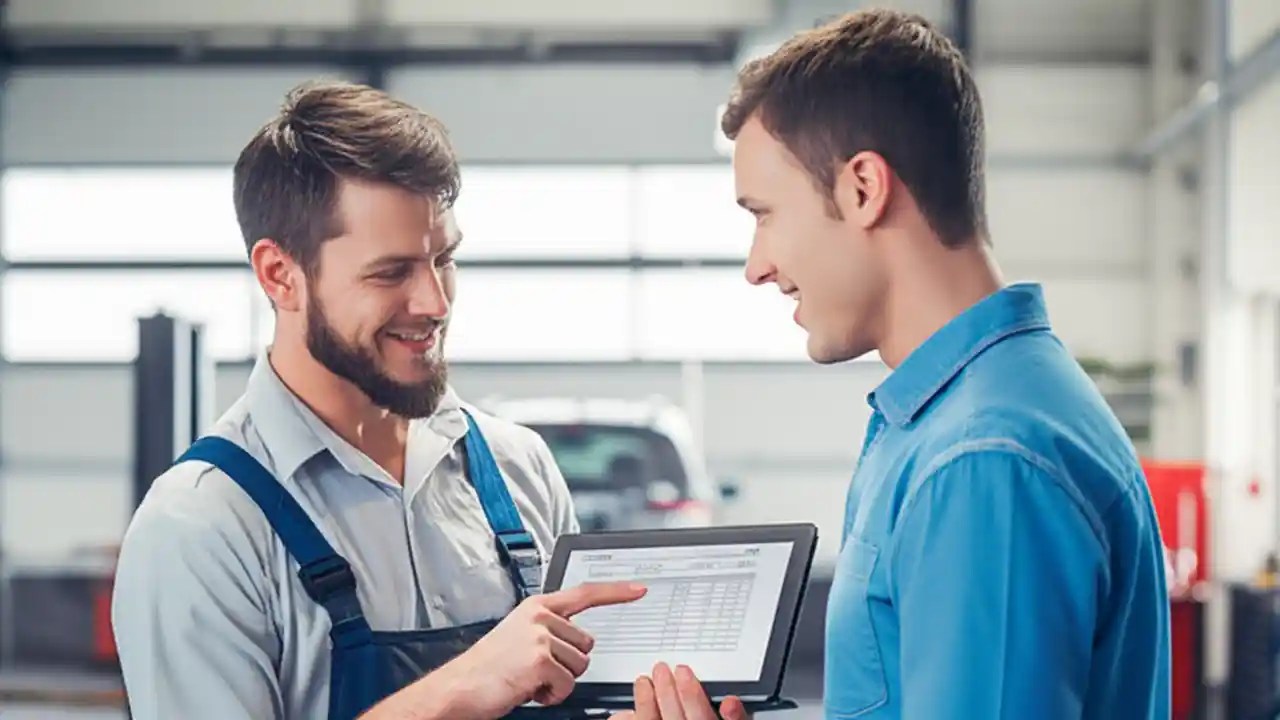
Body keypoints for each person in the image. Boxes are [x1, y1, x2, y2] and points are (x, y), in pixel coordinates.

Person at [617, 9, 1170, 720]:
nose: (758, 266)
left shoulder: (983, 460)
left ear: (862, 189)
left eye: (764, 214)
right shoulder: (966, 414)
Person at [111, 80, 645, 720]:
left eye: (443, 260)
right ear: (281, 275)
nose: (435, 304)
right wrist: (459, 690)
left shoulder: (518, 467)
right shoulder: (202, 529)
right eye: (391, 272)